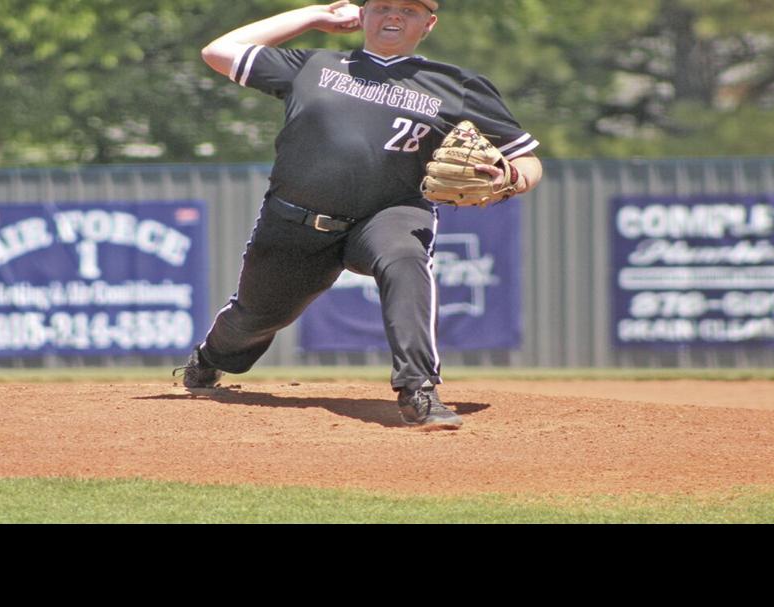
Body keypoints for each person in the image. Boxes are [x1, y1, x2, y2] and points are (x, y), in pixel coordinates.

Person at [175, 0, 543, 429]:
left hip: (389, 212)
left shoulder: (456, 85)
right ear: (362, 15)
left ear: (429, 23)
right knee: (257, 316)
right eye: (382, 6)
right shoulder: (312, 66)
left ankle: (417, 388)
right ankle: (211, 359)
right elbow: (218, 51)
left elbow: (528, 159)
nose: (394, 16)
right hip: (296, 221)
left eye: (408, 10)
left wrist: (512, 177)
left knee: (404, 259)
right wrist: (313, 16)